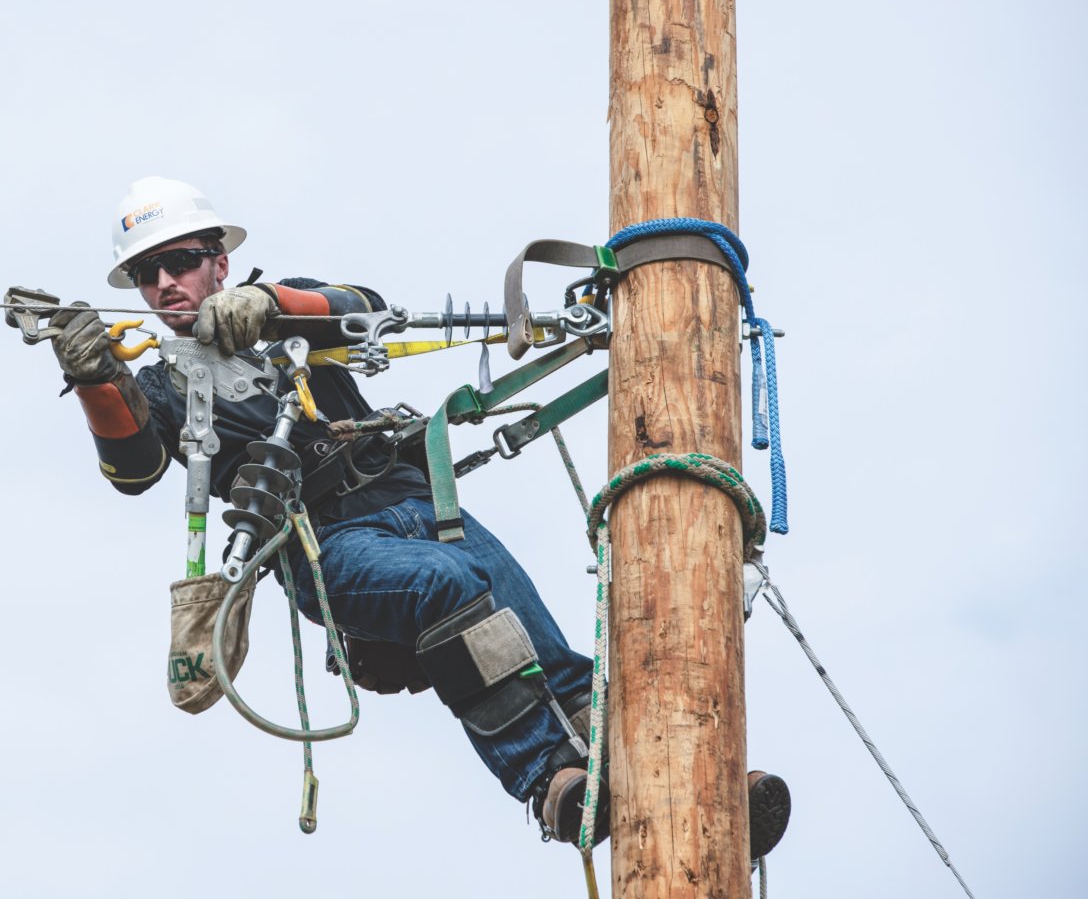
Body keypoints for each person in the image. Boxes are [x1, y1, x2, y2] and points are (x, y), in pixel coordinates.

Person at [46, 175, 788, 855]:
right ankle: (548, 780)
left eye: (180, 261)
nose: (167, 282)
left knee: (539, 643)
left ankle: (695, 784)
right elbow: (134, 465)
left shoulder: (289, 313)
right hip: (321, 543)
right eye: (149, 273)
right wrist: (91, 377)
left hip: (414, 500)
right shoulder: (161, 388)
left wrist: (272, 309)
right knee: (446, 585)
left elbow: (363, 309)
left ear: (219, 261)